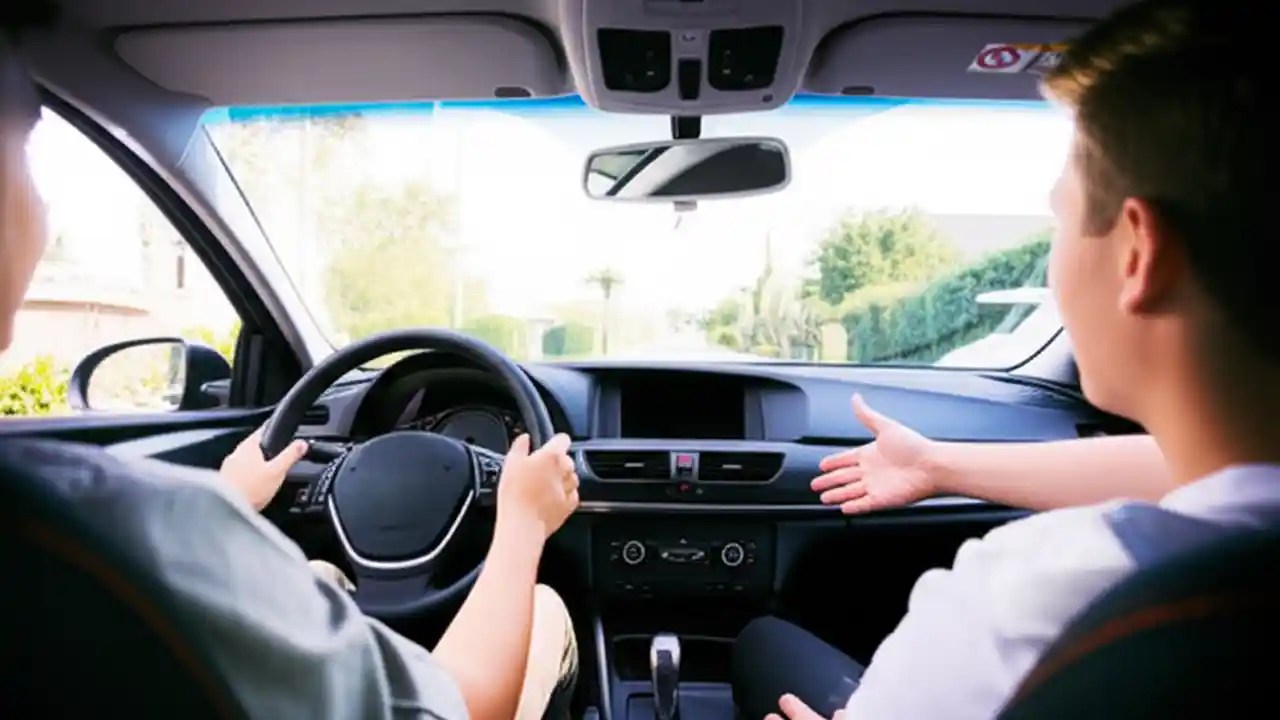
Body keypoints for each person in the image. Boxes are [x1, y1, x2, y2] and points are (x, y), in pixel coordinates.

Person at [1, 17, 578, 720]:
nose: (45, 203)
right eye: (27, 146)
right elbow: (455, 709)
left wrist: (229, 499)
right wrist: (522, 521)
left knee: (318, 578)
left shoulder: (73, 546)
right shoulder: (118, 536)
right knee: (542, 607)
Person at [733, 1, 1279, 718]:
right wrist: (938, 466)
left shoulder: (1027, 604)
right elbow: (1186, 468)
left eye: (1061, 215)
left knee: (761, 644)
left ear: (1139, 254)